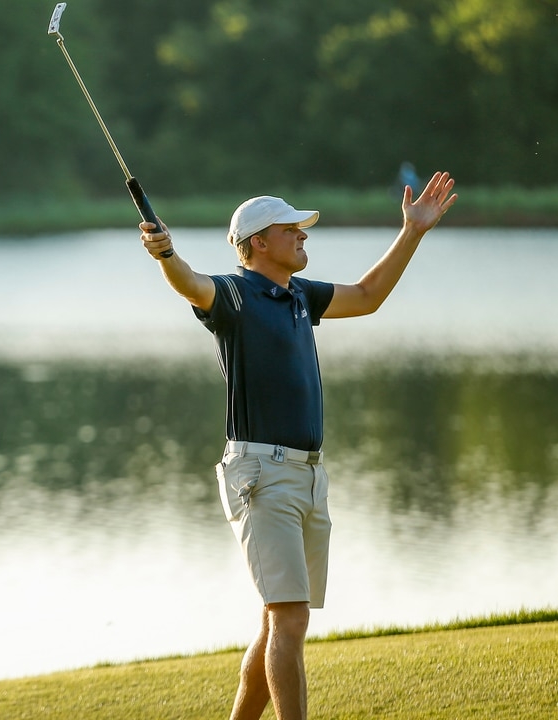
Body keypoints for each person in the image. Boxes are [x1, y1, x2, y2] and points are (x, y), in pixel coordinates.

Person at [138, 172, 457, 720]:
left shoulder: (299, 295)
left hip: (308, 475)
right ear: (259, 242)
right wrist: (165, 254)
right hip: (261, 473)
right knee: (287, 618)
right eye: (293, 230)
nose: (303, 237)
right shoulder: (235, 294)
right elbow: (190, 283)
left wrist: (413, 232)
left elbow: (368, 297)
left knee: (279, 619)